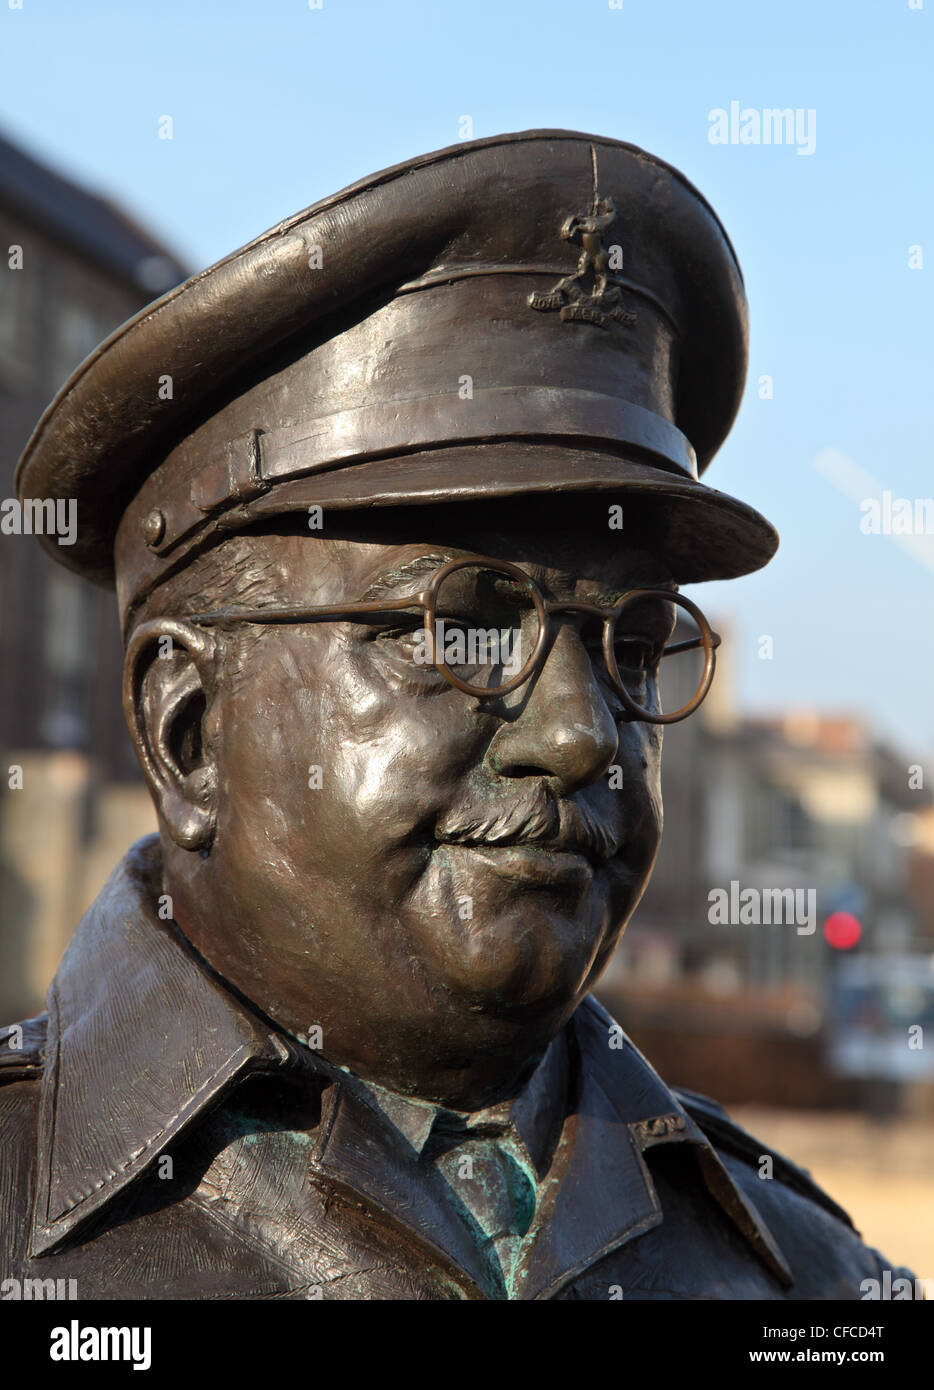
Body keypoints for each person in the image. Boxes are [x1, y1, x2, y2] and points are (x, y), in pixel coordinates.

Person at [0, 130, 916, 1300]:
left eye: (633, 646)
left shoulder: (809, 1280)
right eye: (468, 631)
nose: (584, 734)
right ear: (187, 728)